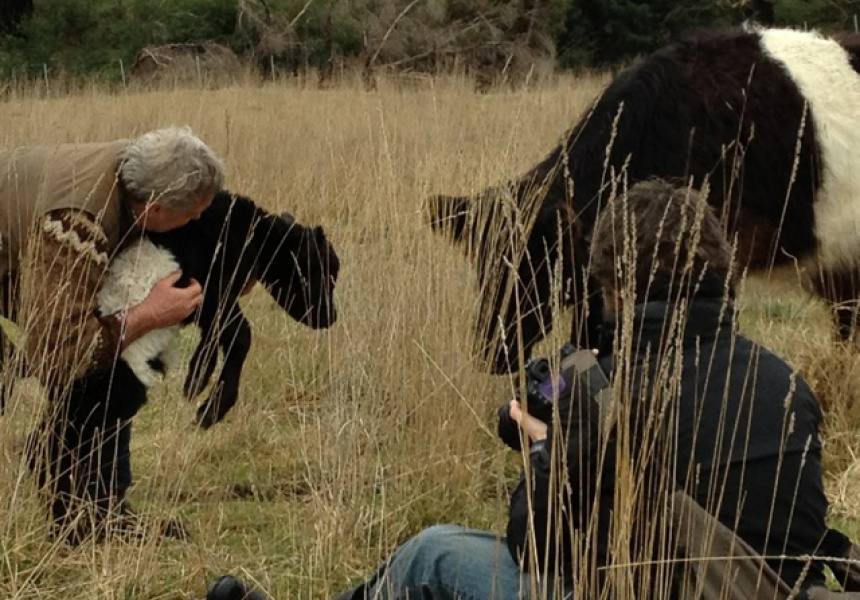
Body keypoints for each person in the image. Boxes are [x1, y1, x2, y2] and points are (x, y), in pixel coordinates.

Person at [208, 179, 846, 600]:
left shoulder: (599, 390)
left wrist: (544, 444)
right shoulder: (784, 380)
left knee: (431, 555)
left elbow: (533, 545)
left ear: (613, 289)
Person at [0, 126, 225, 543]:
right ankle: (75, 511)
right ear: (155, 210)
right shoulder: (76, 227)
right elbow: (61, 353)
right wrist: (146, 315)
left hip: (20, 261)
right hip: (25, 263)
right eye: (192, 213)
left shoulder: (139, 166)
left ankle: (101, 509)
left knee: (116, 366)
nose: (196, 220)